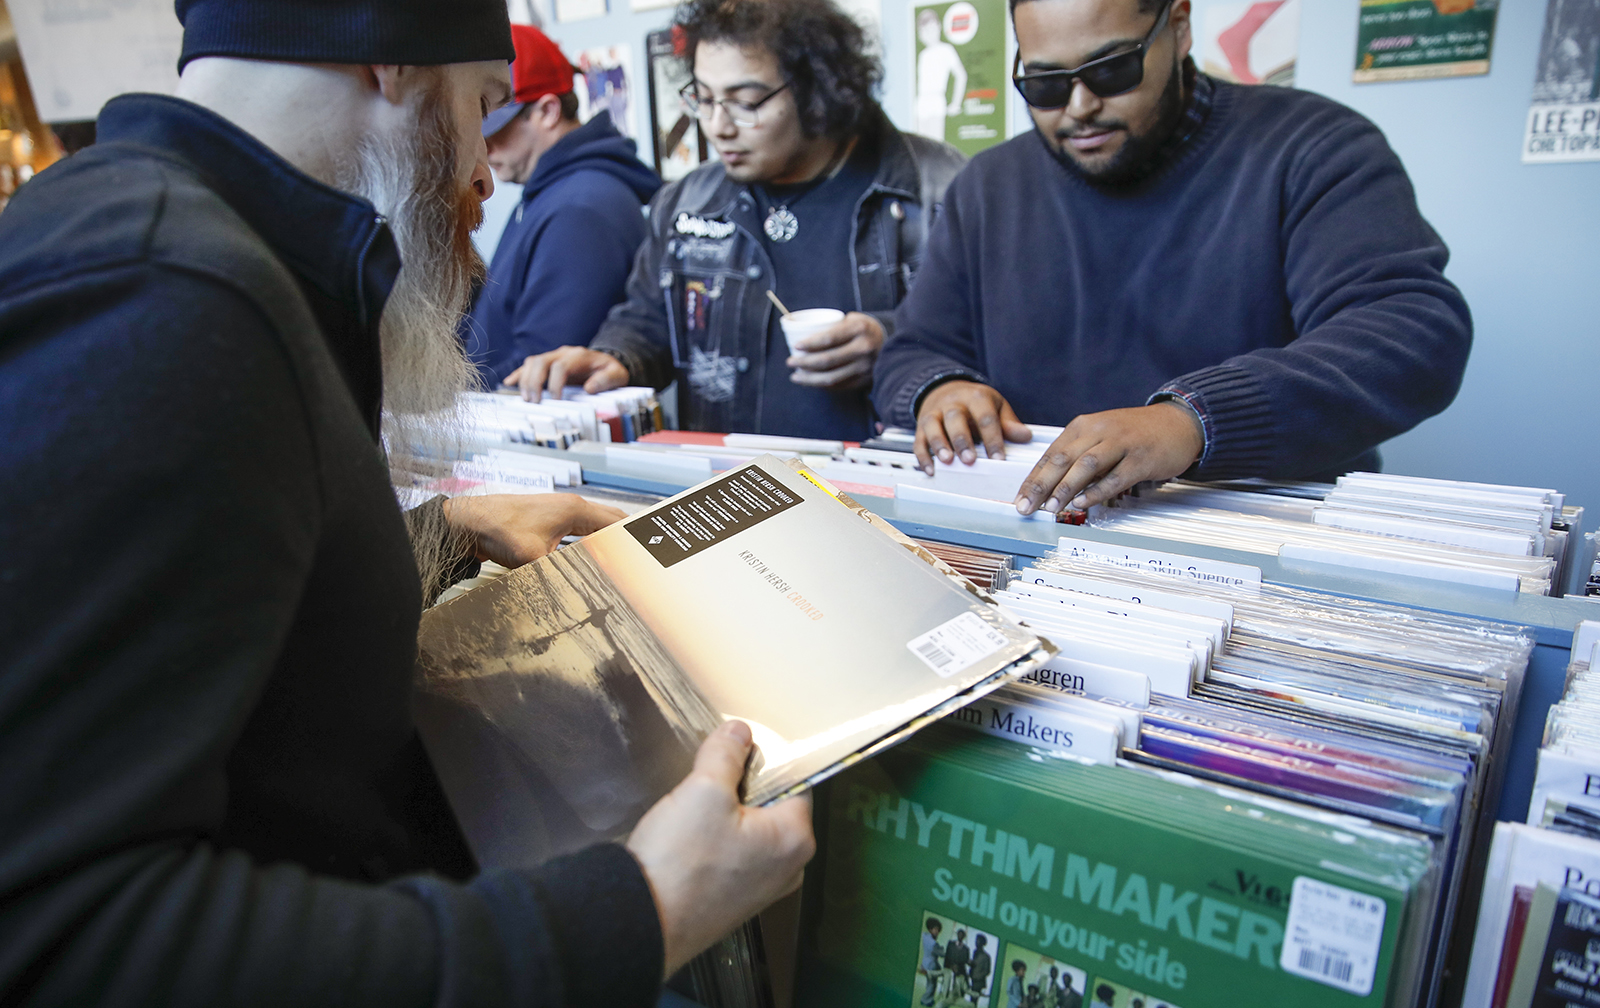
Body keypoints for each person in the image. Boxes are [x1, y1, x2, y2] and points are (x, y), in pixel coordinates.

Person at [0, 0, 813, 1004]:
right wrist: (643, 911)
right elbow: (65, 935)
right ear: (389, 61)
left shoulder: (184, 254)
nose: (481, 171)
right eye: (478, 103)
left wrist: (439, 533)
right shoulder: (163, 301)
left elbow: (212, 633)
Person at [872, 0, 1472, 516]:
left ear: (1179, 28)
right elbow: (913, 347)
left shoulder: (1313, 147)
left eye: (1111, 70)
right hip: (1046, 533)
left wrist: (1194, 423)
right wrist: (939, 390)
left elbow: (1411, 333)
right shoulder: (988, 186)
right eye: (1046, 83)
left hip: (1261, 538)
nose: (1079, 106)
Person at [506, 0, 967, 442]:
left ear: (818, 86)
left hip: (880, 492)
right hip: (735, 494)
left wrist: (890, 343)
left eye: (745, 102)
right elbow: (650, 319)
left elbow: (985, 344)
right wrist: (615, 357)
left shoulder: (941, 190)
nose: (717, 126)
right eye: (703, 99)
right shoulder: (687, 201)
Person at [463, 24, 661, 386]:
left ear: (548, 111)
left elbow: (538, 368)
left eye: (494, 128)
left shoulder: (580, 208)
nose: (483, 148)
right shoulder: (550, 192)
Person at [915, 7, 967, 141]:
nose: (929, 34)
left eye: (932, 28)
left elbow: (961, 75)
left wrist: (956, 103)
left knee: (935, 146)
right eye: (925, 30)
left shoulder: (946, 50)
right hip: (921, 104)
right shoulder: (923, 55)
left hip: (936, 102)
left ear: (938, 27)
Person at [919, 917, 945, 1006]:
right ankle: (926, 1000)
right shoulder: (933, 944)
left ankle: (927, 999)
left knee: (929, 983)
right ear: (930, 929)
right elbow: (941, 954)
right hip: (931, 965)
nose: (937, 932)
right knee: (932, 985)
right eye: (935, 929)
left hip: (924, 963)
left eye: (938, 930)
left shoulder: (924, 936)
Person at [945, 926, 973, 1002]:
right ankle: (946, 997)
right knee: (947, 984)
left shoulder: (966, 949)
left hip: (960, 970)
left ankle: (957, 998)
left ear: (964, 937)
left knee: (961, 984)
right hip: (950, 968)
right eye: (959, 934)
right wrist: (950, 966)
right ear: (957, 935)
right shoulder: (951, 944)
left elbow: (966, 960)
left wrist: (969, 962)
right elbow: (947, 956)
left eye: (962, 935)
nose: (960, 936)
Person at [970, 933, 994, 1001]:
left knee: (974, 1000)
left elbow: (987, 971)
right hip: (972, 979)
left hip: (979, 982)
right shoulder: (975, 952)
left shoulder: (986, 957)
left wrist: (978, 977)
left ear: (982, 943)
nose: (976, 942)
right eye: (976, 940)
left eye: (978, 941)